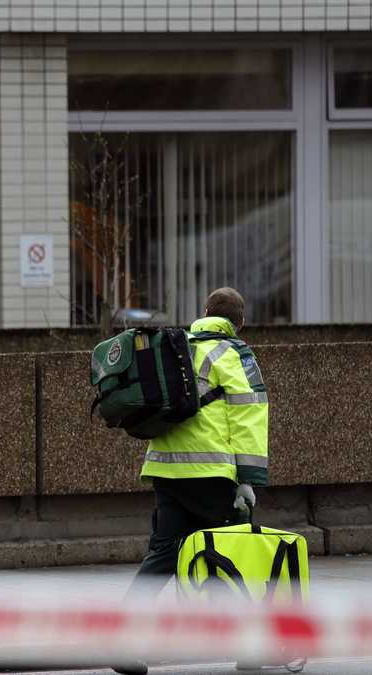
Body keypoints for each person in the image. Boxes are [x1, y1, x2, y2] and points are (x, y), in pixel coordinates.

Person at [112, 287, 269, 675]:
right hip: (212, 474)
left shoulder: (179, 347)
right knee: (232, 557)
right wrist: (249, 479)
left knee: (162, 557)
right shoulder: (234, 354)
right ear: (240, 322)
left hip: (166, 470)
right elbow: (249, 417)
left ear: (204, 312)